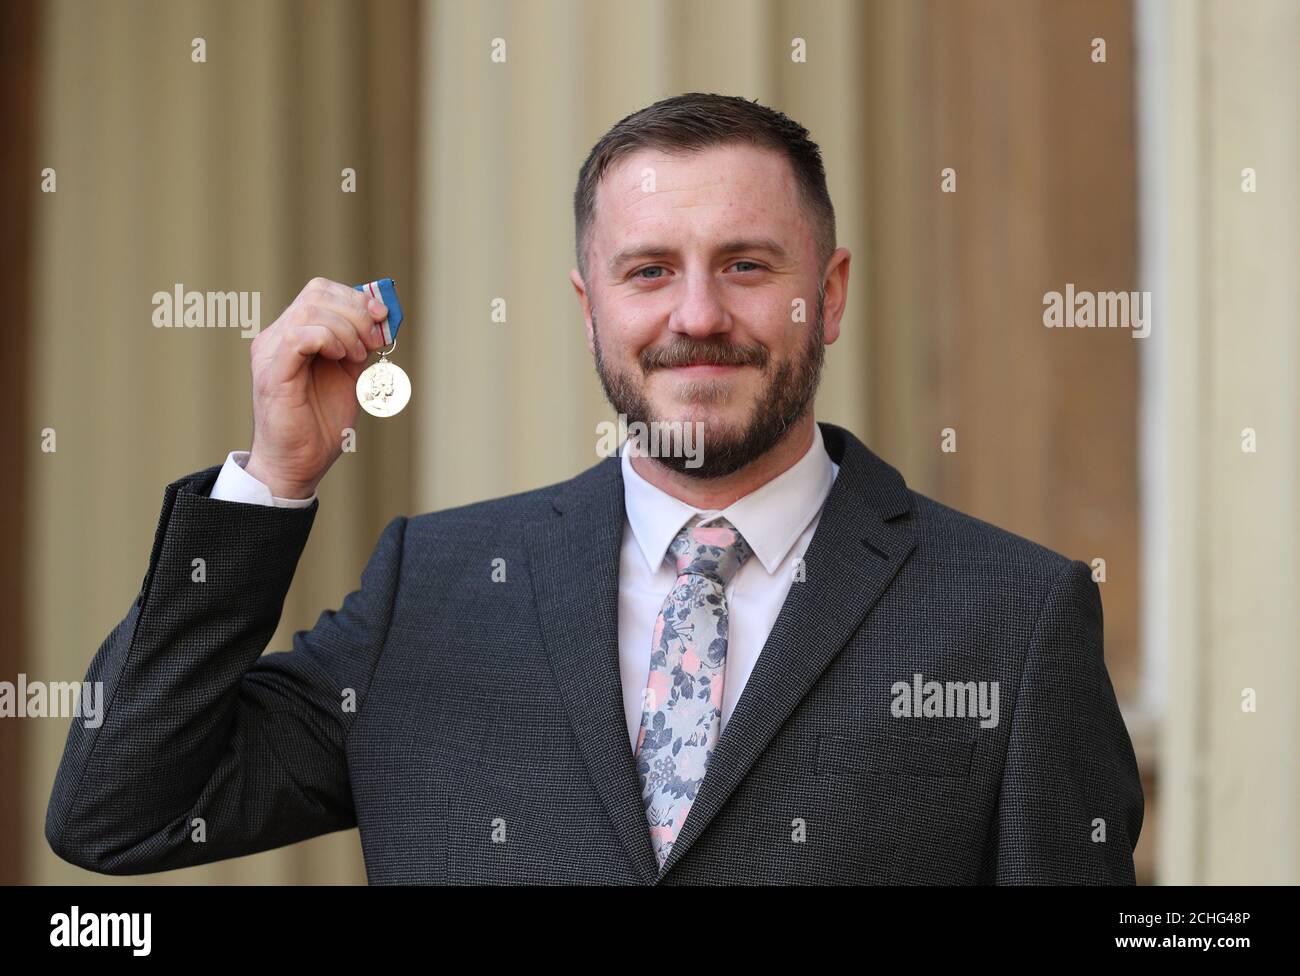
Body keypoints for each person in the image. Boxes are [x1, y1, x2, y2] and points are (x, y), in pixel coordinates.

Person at [46, 93, 1143, 884]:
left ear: (831, 290)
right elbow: (120, 812)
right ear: (588, 306)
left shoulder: (1011, 617)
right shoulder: (430, 593)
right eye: (649, 270)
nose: (698, 315)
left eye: (748, 266)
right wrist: (273, 481)